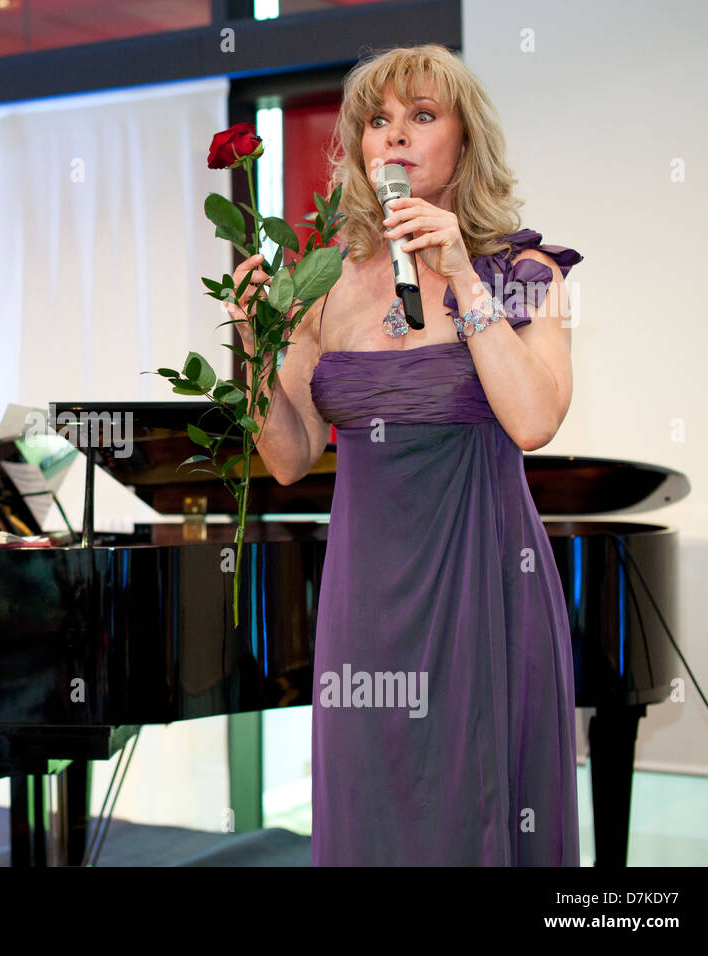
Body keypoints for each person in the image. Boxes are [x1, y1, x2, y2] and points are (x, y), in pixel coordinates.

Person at [233, 45, 583, 865]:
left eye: (422, 117)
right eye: (377, 122)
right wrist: (254, 346)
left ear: (465, 142)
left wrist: (462, 274)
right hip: (366, 604)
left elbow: (533, 422)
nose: (394, 138)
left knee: (479, 807)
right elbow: (287, 457)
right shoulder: (323, 287)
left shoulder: (525, 273)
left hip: (485, 582)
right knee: (373, 810)